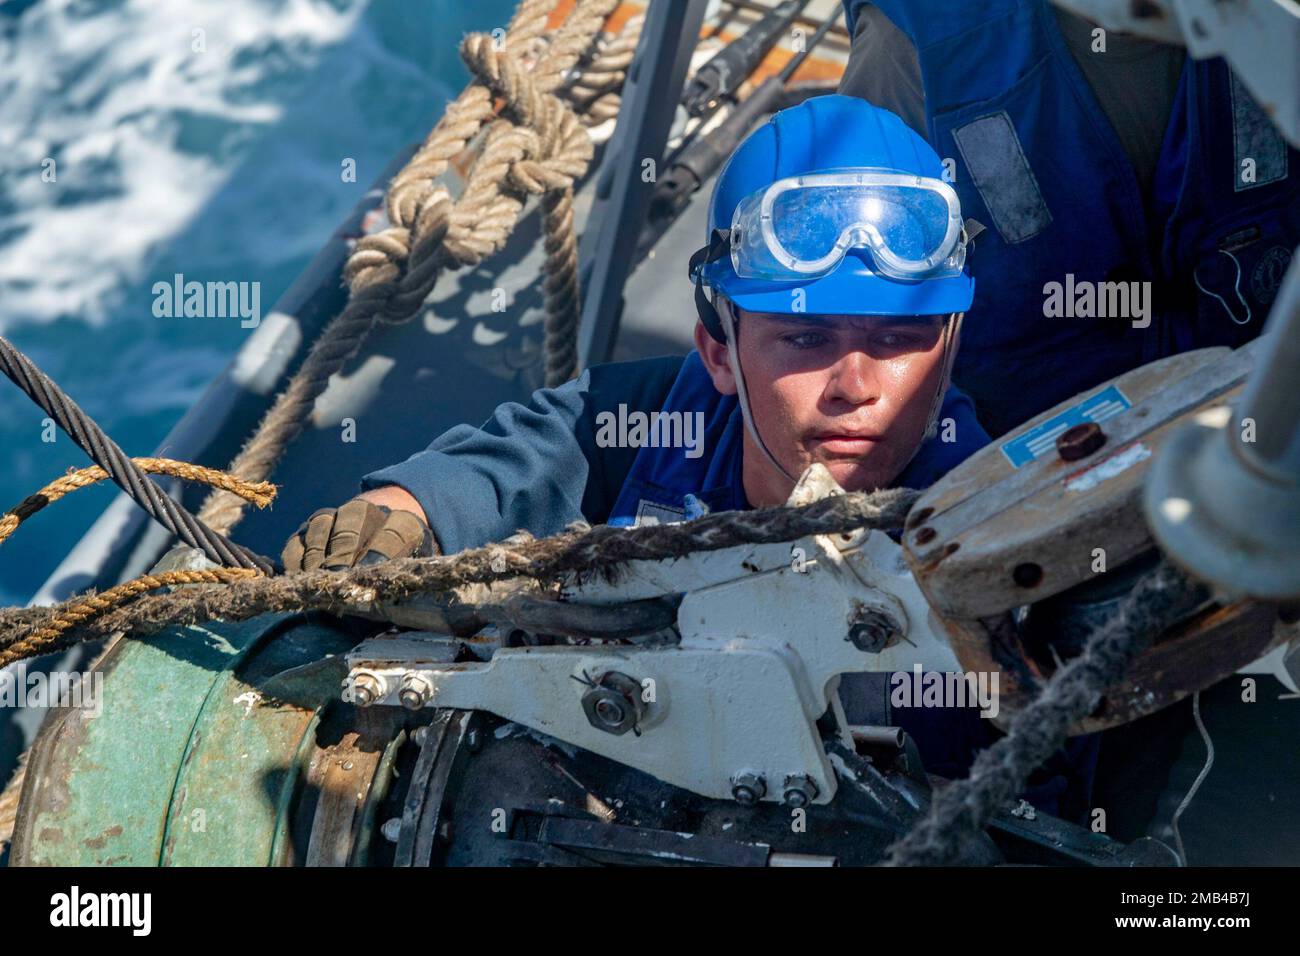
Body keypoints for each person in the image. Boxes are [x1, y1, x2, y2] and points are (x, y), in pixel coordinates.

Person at [282, 94, 1094, 820]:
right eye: (807, 338)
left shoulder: (1006, 526)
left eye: (899, 339)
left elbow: (1058, 788)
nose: (857, 387)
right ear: (717, 352)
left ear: (949, 350)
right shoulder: (646, 418)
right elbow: (506, 467)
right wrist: (397, 519)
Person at [839, 0, 1300, 437]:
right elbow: (863, 330)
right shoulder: (912, 44)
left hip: (1258, 430)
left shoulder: (1278, 27)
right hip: (1018, 466)